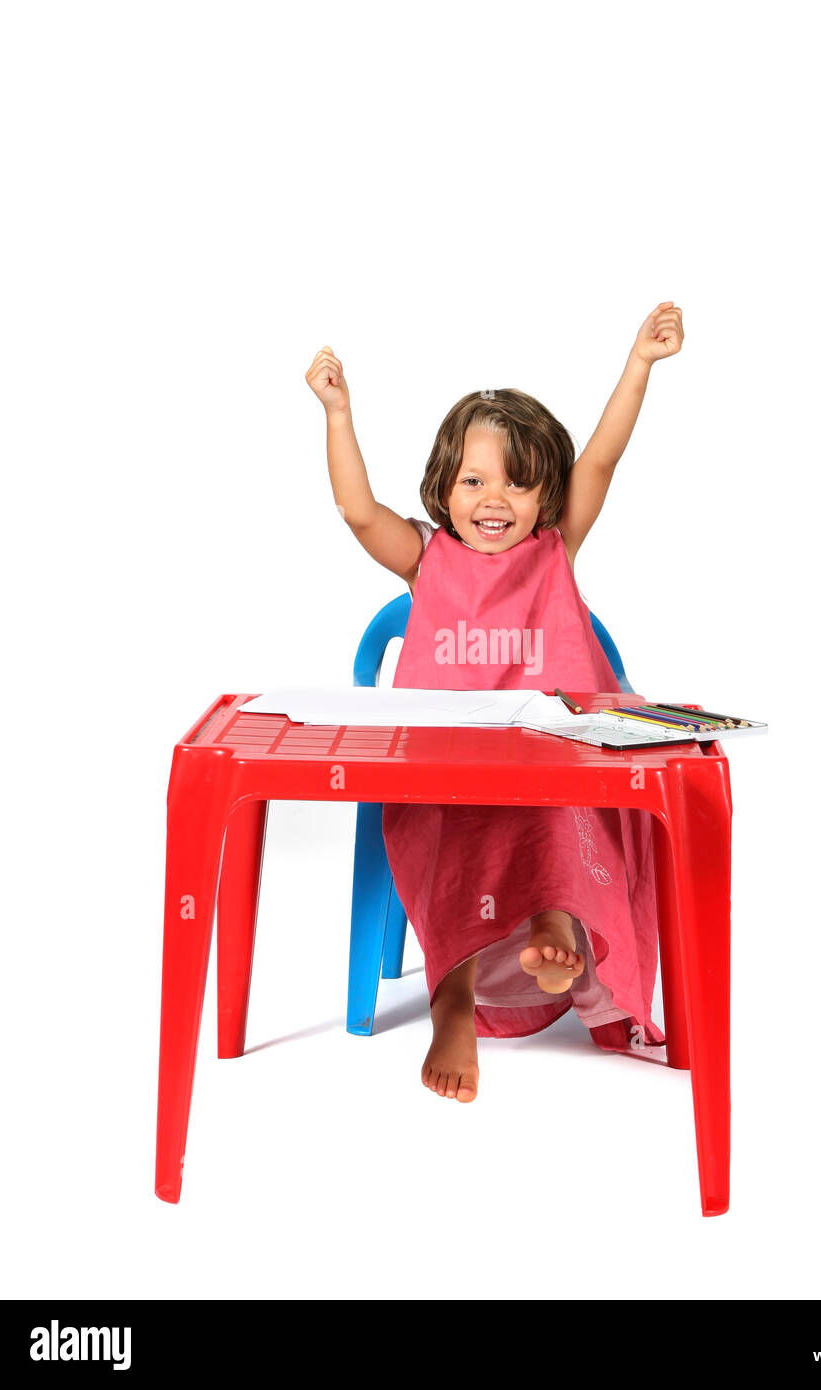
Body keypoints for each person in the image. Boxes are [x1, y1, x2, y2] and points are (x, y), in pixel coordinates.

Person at [306, 301, 684, 1102]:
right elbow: (356, 511)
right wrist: (339, 413)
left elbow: (602, 464)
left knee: (557, 813)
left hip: (549, 771)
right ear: (443, 488)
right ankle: (454, 1002)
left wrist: (639, 365)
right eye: (474, 479)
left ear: (545, 498)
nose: (493, 498)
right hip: (448, 779)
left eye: (518, 483)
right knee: (459, 826)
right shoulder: (425, 558)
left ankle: (555, 925)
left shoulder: (555, 550)